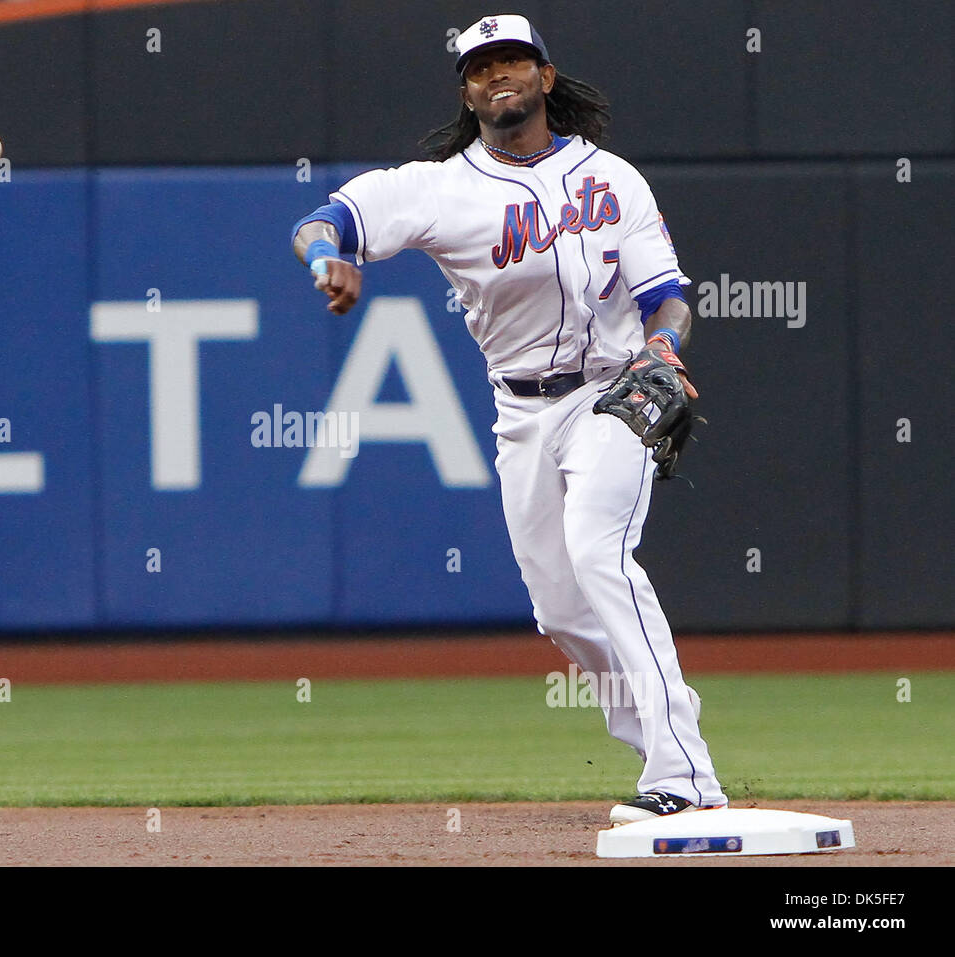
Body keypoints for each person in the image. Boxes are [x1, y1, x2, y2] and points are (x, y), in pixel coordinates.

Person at [289, 13, 726, 825]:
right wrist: (326, 259)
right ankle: (661, 740)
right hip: (520, 412)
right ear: (467, 92)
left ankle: (684, 771)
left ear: (545, 77)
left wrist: (663, 349)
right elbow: (322, 221)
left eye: (514, 60)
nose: (498, 74)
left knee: (598, 553)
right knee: (559, 608)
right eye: (480, 66)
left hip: (613, 393)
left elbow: (666, 296)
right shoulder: (438, 188)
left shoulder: (613, 179)